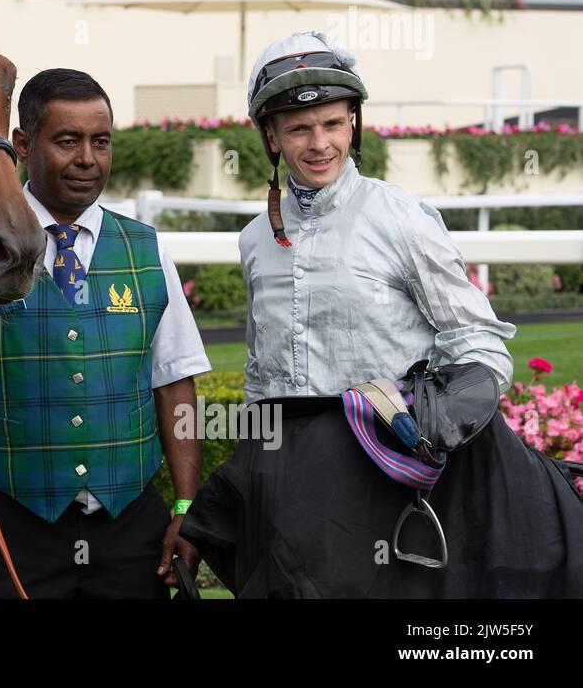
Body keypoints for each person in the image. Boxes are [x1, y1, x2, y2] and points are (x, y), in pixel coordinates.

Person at [180, 31, 583, 597]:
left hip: (388, 476)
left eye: (333, 124)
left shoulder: (401, 218)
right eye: (298, 129)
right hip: (295, 485)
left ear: (353, 124)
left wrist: (445, 412)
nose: (319, 143)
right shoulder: (254, 241)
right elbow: (260, 375)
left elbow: (480, 344)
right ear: (270, 138)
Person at [0, 69, 210, 598]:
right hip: (16, 526)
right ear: (23, 144)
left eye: (101, 141)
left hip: (131, 527)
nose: (88, 158)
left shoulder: (146, 248)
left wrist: (186, 508)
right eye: (68, 141)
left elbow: (175, 382)